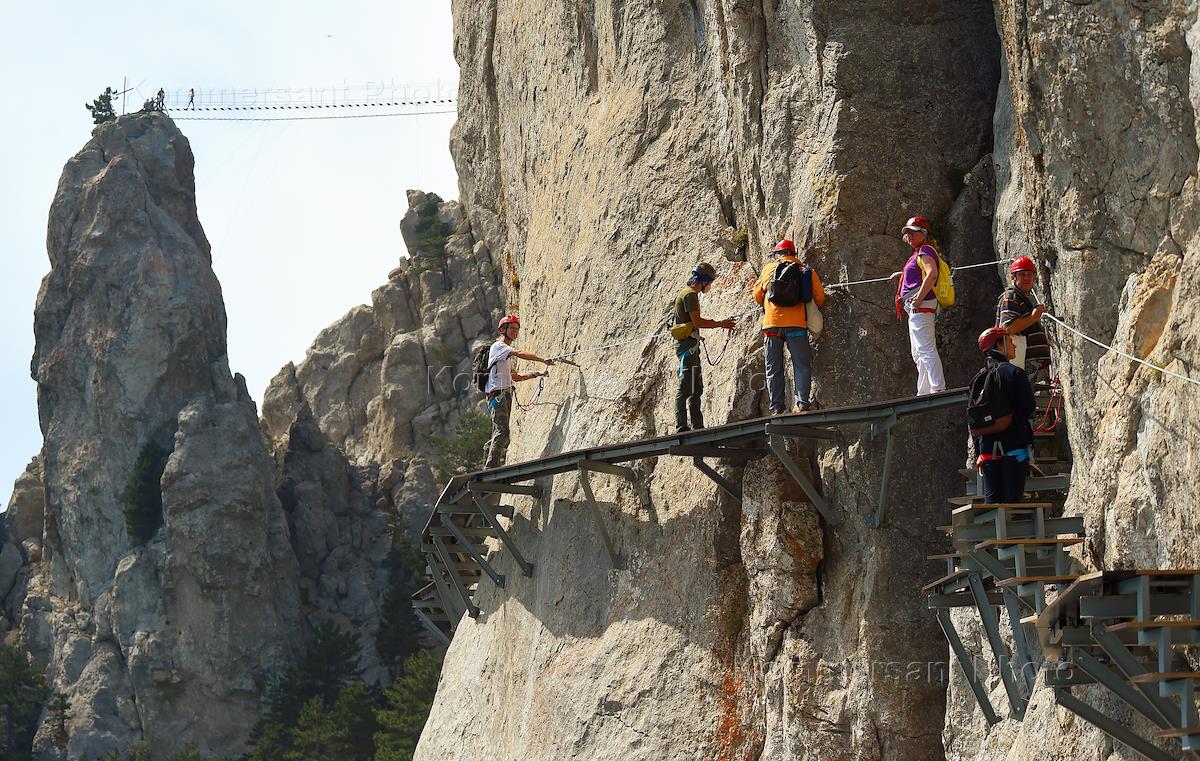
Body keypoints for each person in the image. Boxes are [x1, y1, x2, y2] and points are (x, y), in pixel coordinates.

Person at [753, 239, 826, 413]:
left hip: (772, 325)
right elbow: (820, 298)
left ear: (777, 255)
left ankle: (777, 407)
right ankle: (802, 404)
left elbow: (756, 296)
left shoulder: (768, 270)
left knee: (774, 367)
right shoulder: (805, 271)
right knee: (801, 365)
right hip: (796, 325)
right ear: (793, 254)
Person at [970, 327, 1036, 503]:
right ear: (999, 345)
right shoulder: (1015, 373)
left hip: (987, 451)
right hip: (1014, 447)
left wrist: (978, 452)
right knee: (1012, 505)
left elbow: (973, 418)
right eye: (1009, 340)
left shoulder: (978, 380)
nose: (1013, 344)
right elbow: (1028, 408)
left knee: (993, 507)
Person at [483, 316, 554, 468]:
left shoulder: (504, 357)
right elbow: (520, 353)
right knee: (502, 432)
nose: (515, 331)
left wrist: (538, 373)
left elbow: (517, 377)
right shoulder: (499, 347)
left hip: (503, 397)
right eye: (512, 328)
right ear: (502, 330)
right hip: (498, 396)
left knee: (501, 431)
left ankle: (490, 459)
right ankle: (490, 468)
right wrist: (543, 359)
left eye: (517, 328)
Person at [672, 263, 735, 433]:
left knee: (696, 388)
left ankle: (697, 426)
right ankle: (682, 426)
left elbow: (689, 323)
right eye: (710, 282)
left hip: (690, 344)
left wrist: (696, 335)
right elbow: (697, 321)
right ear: (704, 281)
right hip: (688, 348)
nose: (710, 286)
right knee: (686, 387)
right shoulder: (691, 295)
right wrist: (721, 324)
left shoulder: (687, 294)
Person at [891, 215, 946, 395]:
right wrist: (903, 275)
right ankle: (924, 390)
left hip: (921, 305)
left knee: (925, 348)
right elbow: (922, 273)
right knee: (918, 351)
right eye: (908, 233)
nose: (910, 236)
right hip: (917, 306)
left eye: (914, 233)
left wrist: (918, 299)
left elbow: (932, 275)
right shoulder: (920, 252)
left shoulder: (925, 251)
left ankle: (937, 387)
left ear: (924, 233)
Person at [996, 256, 1050, 374]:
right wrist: (1034, 317)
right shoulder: (1011, 297)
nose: (1026, 278)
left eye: (1029, 275)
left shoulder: (1021, 298)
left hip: (1028, 363)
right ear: (1013, 277)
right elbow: (1009, 328)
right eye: (1022, 274)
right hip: (1023, 364)